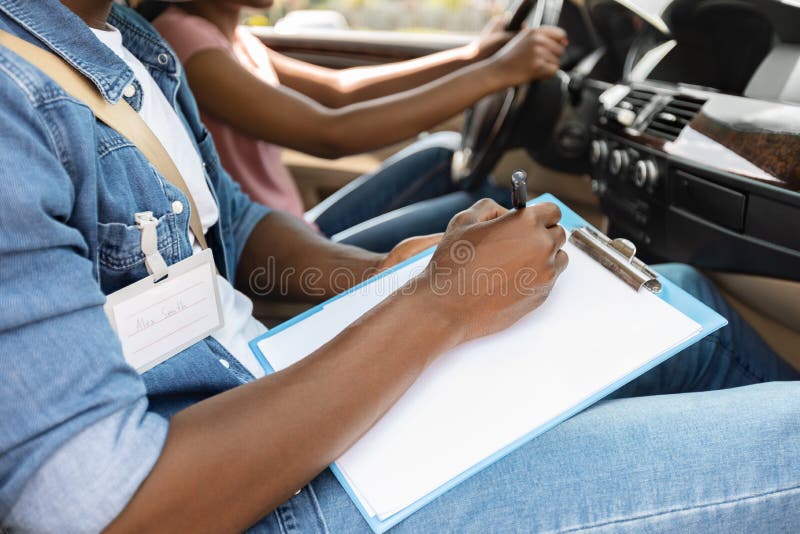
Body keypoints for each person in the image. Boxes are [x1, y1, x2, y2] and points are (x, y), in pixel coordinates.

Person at [0, 1, 798, 533]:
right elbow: (110, 509)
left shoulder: (126, 43)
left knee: (686, 305)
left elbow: (233, 236)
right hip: (247, 494)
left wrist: (381, 278)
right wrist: (434, 304)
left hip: (272, 382)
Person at [145, 0, 569, 252]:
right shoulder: (185, 43)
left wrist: (473, 56)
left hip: (294, 225)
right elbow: (329, 133)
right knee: (495, 208)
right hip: (267, 251)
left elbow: (339, 90)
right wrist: (495, 74)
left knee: (441, 156)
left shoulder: (230, 36)